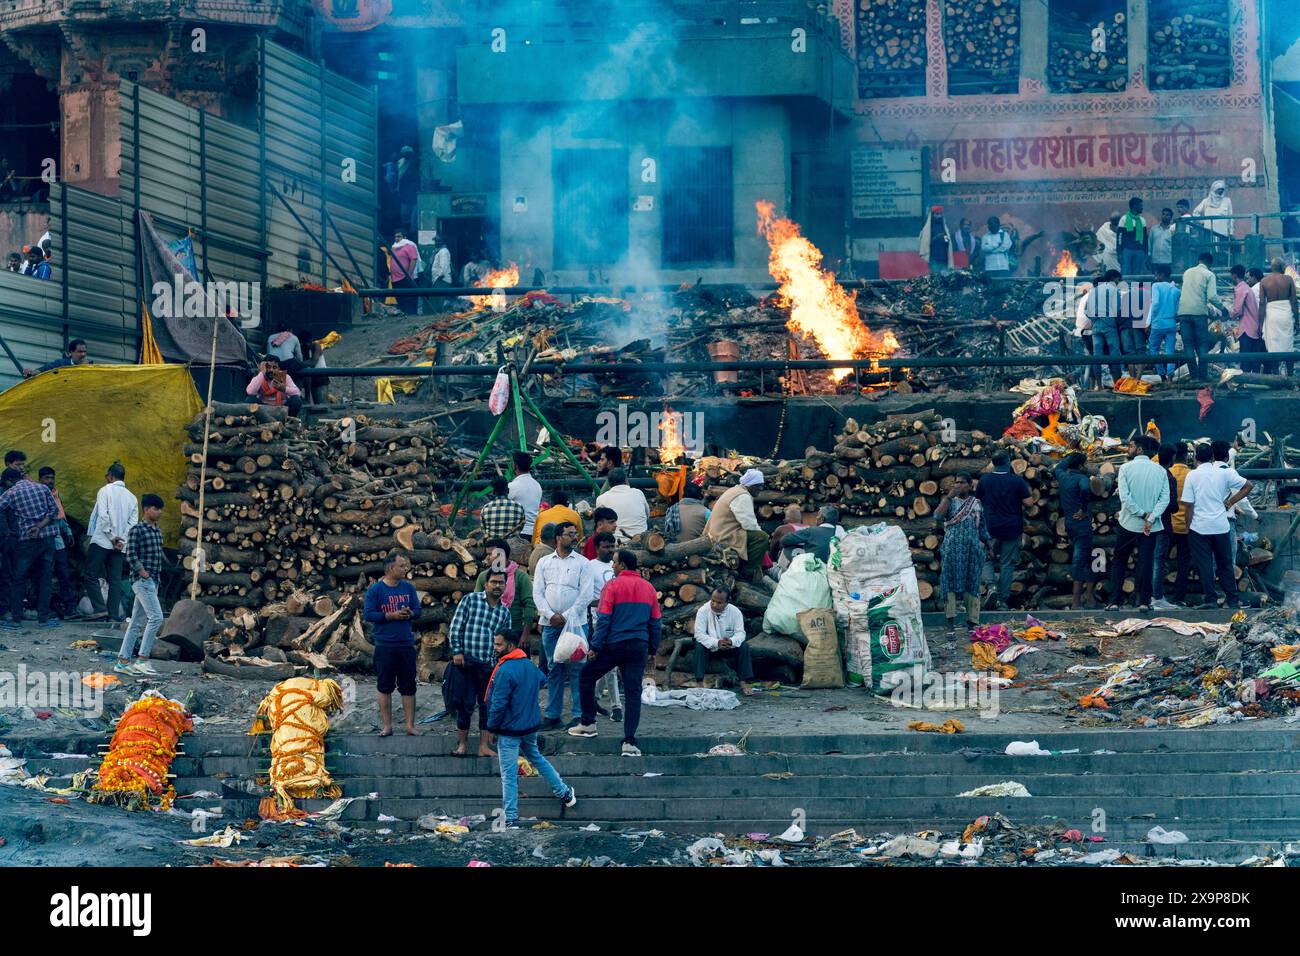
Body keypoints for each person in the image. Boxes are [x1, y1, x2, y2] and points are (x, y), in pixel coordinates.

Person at [570, 549, 661, 756]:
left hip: (614, 645)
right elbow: (655, 622)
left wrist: (595, 647)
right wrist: (652, 649)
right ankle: (629, 742)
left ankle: (588, 723)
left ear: (622, 566)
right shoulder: (649, 588)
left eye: (615, 562)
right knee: (632, 693)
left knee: (586, 676)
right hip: (638, 646)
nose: (612, 565)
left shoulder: (611, 586)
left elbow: (604, 620)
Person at [485, 630, 578, 829]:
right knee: (537, 759)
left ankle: (510, 819)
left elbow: (498, 704)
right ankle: (564, 793)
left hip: (509, 730)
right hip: (530, 726)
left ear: (510, 646)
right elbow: (542, 680)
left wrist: (491, 728)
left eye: (499, 645)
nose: (495, 648)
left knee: (508, 776)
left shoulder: (504, 671)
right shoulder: (528, 664)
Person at [533, 521, 591, 730]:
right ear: (558, 537)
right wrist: (549, 615)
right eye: (569, 534)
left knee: (577, 668)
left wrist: (566, 616)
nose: (574, 537)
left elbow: (585, 595)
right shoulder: (545, 562)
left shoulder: (583, 563)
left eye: (575, 534)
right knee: (553, 667)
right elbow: (537, 592)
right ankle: (552, 714)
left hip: (576, 624)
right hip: (550, 624)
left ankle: (578, 714)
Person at [448, 568, 511, 755]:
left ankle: (483, 746)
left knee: (486, 706)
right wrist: (457, 651)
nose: (497, 586)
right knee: (464, 705)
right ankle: (462, 745)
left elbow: (506, 642)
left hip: (489, 666)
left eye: (501, 583)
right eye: (494, 582)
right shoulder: (471, 600)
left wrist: (500, 664)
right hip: (466, 662)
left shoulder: (504, 612)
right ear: (486, 584)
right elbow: (456, 626)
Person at [1181, 443, 1252, 609]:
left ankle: (1211, 600)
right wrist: (1231, 502)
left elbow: (1188, 505)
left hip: (1199, 528)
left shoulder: (1192, 476)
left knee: (1205, 565)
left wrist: (1187, 526)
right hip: (1221, 526)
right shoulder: (1224, 473)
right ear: (1212, 457)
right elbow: (1248, 485)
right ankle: (1233, 600)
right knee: (1225, 564)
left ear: (1196, 458)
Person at [364, 551, 423, 737]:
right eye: (401, 566)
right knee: (384, 685)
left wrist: (409, 614)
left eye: (405, 566)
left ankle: (410, 726)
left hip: (405, 643)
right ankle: (387, 726)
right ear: (390, 568)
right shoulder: (375, 590)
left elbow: (418, 610)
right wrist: (391, 616)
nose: (405, 569)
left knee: (408, 685)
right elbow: (369, 614)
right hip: (384, 644)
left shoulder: (408, 587)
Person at [1108, 435, 1168, 611]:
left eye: (1132, 445)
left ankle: (1114, 602)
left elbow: (1125, 497)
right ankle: (1143, 601)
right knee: (1146, 562)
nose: (1129, 448)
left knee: (1120, 561)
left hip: (1128, 522)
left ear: (1140, 449)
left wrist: (1141, 514)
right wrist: (1150, 517)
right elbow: (1164, 499)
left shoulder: (1125, 468)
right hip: (1151, 526)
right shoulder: (1161, 471)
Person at [0, 464, 61, 630]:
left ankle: (16, 618)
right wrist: (40, 526)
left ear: (10, 481)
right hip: (47, 539)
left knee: (19, 579)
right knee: (45, 578)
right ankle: (43, 619)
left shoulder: (11, 492)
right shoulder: (42, 489)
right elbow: (54, 512)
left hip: (26, 540)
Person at [112, 493, 166, 675]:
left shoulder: (157, 531)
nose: (159, 512)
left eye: (160, 509)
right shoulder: (137, 530)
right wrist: (142, 571)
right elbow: (130, 554)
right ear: (146, 509)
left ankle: (123, 662)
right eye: (155, 509)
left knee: (135, 622)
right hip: (142, 581)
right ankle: (142, 659)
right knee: (157, 618)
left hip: (153, 580)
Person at [974, 451, 1032, 609]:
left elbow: (977, 501)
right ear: (1008, 462)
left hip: (990, 526)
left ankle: (991, 586)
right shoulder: (1017, 481)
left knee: (986, 559)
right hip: (1012, 527)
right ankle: (1002, 600)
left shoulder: (985, 480)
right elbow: (1029, 503)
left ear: (993, 463)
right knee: (1007, 564)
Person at [935, 473, 988, 636]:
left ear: (970, 486)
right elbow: (937, 516)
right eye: (956, 482)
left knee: (972, 583)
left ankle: (972, 623)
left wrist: (988, 545)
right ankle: (950, 624)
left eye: (962, 483)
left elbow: (982, 527)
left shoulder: (976, 503)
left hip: (972, 550)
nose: (958, 485)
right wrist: (948, 497)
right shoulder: (949, 502)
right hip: (952, 549)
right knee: (948, 583)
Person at [84, 462, 136, 623]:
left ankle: (100, 609)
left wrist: (112, 536)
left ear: (111, 476)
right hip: (120, 545)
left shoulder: (105, 491)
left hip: (102, 540)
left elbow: (103, 516)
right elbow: (132, 524)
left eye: (107, 475)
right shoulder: (132, 497)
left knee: (90, 574)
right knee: (115, 580)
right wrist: (121, 540)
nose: (106, 478)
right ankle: (113, 615)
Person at [704, 468, 769, 582]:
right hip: (723, 535)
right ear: (751, 485)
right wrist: (762, 533)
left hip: (720, 531)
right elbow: (749, 524)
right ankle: (747, 574)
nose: (761, 489)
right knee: (761, 538)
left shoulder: (735, 490)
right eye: (759, 486)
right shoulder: (742, 496)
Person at [584, 530, 622, 721]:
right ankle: (617, 706)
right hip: (598, 620)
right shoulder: (590, 567)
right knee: (610, 664)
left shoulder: (616, 567)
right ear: (597, 548)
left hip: (618, 620)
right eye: (606, 547)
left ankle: (595, 698)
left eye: (612, 546)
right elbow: (587, 596)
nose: (610, 550)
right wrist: (604, 604)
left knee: (608, 663)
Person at [474, 538, 536, 652]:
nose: (487, 558)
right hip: (490, 629)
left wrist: (525, 634)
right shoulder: (484, 577)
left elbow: (529, 604)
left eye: (490, 554)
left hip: (515, 631)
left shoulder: (521, 577)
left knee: (517, 666)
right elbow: (476, 603)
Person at [692, 586, 753, 696]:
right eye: (713, 601)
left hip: (728, 647)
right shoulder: (703, 611)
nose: (714, 605)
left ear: (727, 602)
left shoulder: (735, 612)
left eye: (719, 602)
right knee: (699, 645)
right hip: (710, 648)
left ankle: (743, 682)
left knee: (744, 647)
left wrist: (731, 641)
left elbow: (740, 633)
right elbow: (699, 634)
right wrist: (717, 643)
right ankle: (699, 682)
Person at [1054, 452, 1096, 609]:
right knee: (1081, 559)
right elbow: (1085, 490)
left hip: (1069, 524)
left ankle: (1089, 598)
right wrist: (1084, 509)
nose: (1086, 466)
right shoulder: (1082, 478)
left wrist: (1069, 458)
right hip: (1082, 524)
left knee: (1087, 558)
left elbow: (1059, 467)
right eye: (1084, 464)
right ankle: (1076, 601)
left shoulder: (1063, 477)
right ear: (1081, 466)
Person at [36, 468, 78, 620]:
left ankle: (70, 608)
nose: (50, 481)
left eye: (51, 478)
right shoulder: (36, 494)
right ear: (39, 479)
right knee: (44, 575)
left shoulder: (55, 493)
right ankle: (45, 609)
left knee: (63, 575)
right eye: (46, 478)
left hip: (58, 541)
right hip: (42, 541)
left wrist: (68, 531)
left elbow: (61, 515)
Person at [1177, 252, 1224, 382]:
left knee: (1188, 346)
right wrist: (1223, 308)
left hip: (1183, 313)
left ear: (1198, 260)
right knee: (1202, 345)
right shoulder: (1209, 274)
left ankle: (1194, 377)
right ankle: (1203, 376)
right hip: (1199, 314)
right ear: (1210, 264)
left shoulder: (1187, 272)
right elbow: (1212, 297)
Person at [1150, 444, 1185, 611]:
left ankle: (1145, 596)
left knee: (1149, 559)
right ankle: (1157, 597)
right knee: (1158, 560)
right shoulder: (1169, 477)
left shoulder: (1152, 474)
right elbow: (1172, 505)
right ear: (1172, 458)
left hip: (1148, 522)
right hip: (1163, 524)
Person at [1258, 257, 1297, 376]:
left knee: (1273, 346)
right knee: (1288, 346)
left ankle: (1276, 376)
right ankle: (1290, 376)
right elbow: (1294, 302)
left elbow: (1262, 304)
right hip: (1286, 314)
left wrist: (1260, 325)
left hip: (1272, 316)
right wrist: (1297, 321)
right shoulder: (1289, 279)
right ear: (1282, 267)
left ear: (1272, 267)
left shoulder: (1264, 281)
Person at [1085, 270, 1124, 387]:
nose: (1118, 282)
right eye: (1118, 280)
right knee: (1115, 354)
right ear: (1113, 279)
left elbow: (1086, 310)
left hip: (1096, 326)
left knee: (1097, 356)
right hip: (1109, 325)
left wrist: (1095, 319)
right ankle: (1117, 385)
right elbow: (1117, 310)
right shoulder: (1113, 290)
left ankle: (1099, 386)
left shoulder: (1093, 291)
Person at [595, 467, 649, 544]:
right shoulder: (638, 493)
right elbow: (647, 515)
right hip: (640, 541)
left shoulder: (601, 499)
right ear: (626, 480)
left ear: (609, 483)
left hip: (614, 543)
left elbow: (600, 526)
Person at [479, 476, 527, 562]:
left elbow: (484, 531)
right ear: (507, 490)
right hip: (514, 552)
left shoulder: (485, 508)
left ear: (493, 491)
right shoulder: (518, 507)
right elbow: (521, 527)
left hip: (493, 552)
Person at [1146, 265, 1180, 380]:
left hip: (1158, 323)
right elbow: (1177, 310)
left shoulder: (1156, 286)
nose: (1155, 278)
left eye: (1157, 275)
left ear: (1162, 275)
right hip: (1171, 323)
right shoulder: (1176, 290)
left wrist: (1149, 321)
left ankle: (1162, 375)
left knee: (1153, 349)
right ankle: (1170, 375)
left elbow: (1155, 304)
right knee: (1170, 350)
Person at [1231, 264, 1265, 373]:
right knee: (1254, 360)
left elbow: (1237, 310)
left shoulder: (1240, 288)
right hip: (1254, 328)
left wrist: (1227, 316)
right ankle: (1254, 383)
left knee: (1245, 359)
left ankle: (1245, 382)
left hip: (1247, 329)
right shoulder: (1247, 288)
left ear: (1234, 275)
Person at [780, 506, 845, 563]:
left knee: (787, 548)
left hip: (813, 570)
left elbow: (785, 540)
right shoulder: (842, 533)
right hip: (831, 569)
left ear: (822, 519)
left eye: (818, 515)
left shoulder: (812, 530)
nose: (816, 518)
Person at [508, 451, 543, 539]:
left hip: (518, 533)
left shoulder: (512, 486)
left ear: (515, 465)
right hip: (534, 533)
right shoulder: (537, 485)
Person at [388, 230, 421, 314]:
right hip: (395, 279)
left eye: (399, 236)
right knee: (400, 300)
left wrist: (409, 274)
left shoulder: (409, 246)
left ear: (404, 237)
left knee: (409, 299)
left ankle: (411, 318)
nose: (396, 238)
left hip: (404, 277)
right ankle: (403, 319)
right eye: (395, 237)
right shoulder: (394, 247)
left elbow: (414, 259)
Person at [22, 339, 89, 378]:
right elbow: (44, 369)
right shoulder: (61, 363)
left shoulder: (91, 367)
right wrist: (30, 372)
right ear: (71, 352)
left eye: (84, 351)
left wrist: (87, 369)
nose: (83, 354)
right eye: (79, 352)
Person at [1116, 197, 1148, 276]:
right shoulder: (1124, 219)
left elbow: (1145, 239)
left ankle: (1135, 289)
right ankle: (1125, 288)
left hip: (1139, 251)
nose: (1142, 207)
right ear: (1134, 206)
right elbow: (1119, 238)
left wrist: (1146, 252)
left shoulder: (1142, 220)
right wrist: (1119, 253)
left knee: (1137, 274)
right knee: (1125, 272)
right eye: (1141, 205)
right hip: (1126, 251)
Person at [919, 205, 953, 274]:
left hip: (944, 259)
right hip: (934, 259)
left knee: (945, 279)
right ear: (933, 215)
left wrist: (946, 240)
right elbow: (926, 243)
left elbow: (947, 241)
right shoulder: (928, 228)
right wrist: (936, 238)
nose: (939, 216)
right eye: (937, 214)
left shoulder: (944, 227)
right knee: (936, 278)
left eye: (940, 214)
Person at [1149, 207, 1175, 273]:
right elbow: (1149, 243)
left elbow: (1175, 246)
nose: (1165, 216)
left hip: (1168, 261)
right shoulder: (1154, 229)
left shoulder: (1173, 229)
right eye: (1163, 214)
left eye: (1167, 215)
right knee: (1155, 280)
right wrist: (1149, 257)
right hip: (1155, 261)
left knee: (1167, 280)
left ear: (1171, 217)